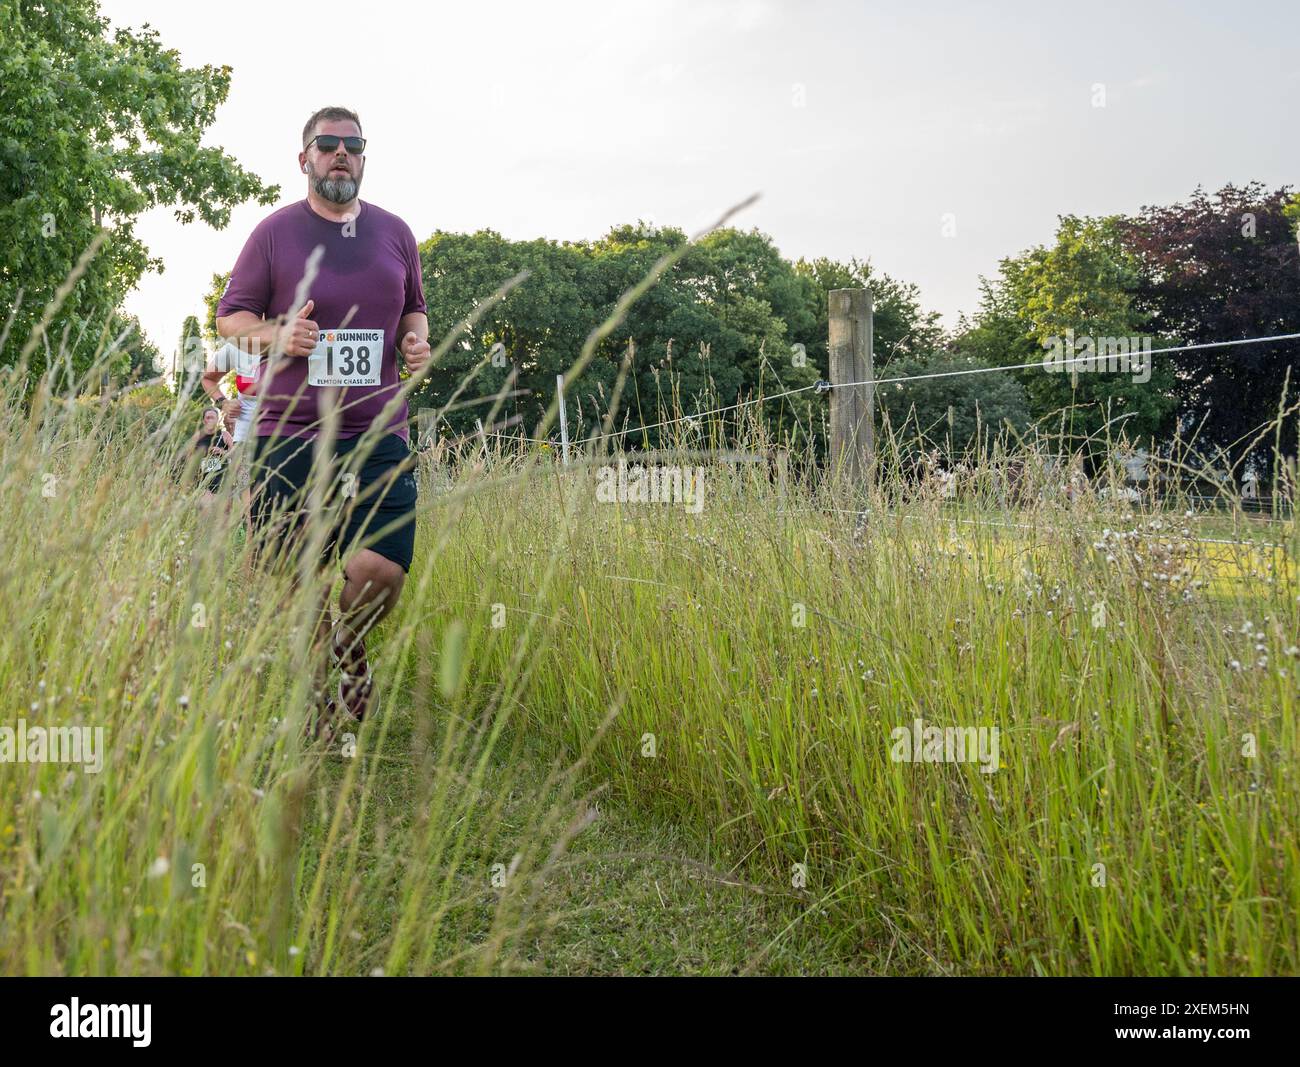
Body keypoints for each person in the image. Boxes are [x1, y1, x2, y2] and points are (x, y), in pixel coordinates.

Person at [214, 106, 431, 734]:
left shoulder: (395, 233)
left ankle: (349, 644)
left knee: (380, 567)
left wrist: (415, 344)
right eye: (327, 144)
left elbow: (413, 310)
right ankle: (317, 699)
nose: (341, 154)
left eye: (353, 145)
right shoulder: (275, 233)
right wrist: (281, 333)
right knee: (290, 575)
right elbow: (231, 320)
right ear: (304, 158)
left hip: (378, 429)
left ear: (363, 157)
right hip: (291, 430)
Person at [188, 407, 234, 499]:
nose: (210, 420)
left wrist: (222, 452)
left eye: (212, 417)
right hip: (202, 481)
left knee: (222, 510)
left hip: (222, 480)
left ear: (217, 420)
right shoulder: (197, 436)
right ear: (204, 420)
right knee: (206, 508)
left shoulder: (224, 435)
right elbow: (189, 457)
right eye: (207, 418)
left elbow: (235, 453)